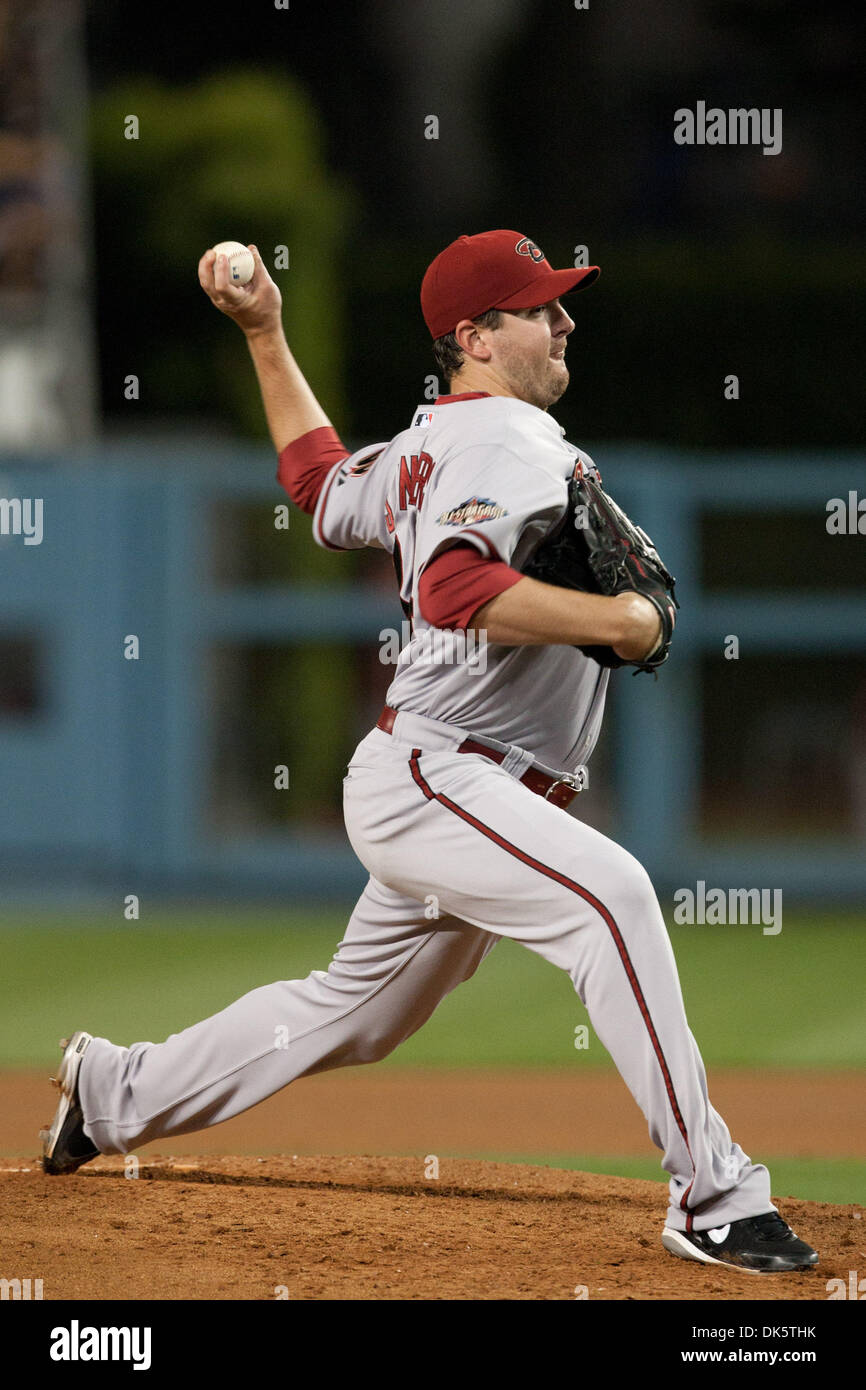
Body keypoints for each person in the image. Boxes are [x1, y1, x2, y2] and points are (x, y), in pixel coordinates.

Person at [42, 229, 817, 1275]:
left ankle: (110, 1091)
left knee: (352, 1015)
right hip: (441, 778)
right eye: (538, 307)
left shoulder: (431, 444)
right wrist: (617, 624)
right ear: (474, 337)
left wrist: (266, 331)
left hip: (449, 783)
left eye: (558, 303)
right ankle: (712, 1192)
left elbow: (319, 487)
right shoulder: (504, 440)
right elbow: (455, 594)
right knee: (613, 897)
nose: (563, 320)